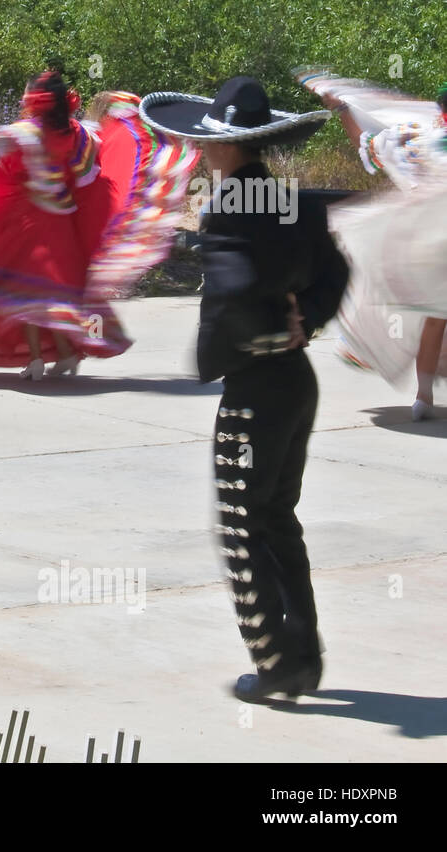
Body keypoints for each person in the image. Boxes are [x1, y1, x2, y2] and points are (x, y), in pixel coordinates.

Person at [140, 77, 349, 703]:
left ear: (226, 147)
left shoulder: (229, 205)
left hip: (256, 392)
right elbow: (339, 271)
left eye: (209, 145)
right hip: (297, 384)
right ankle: (303, 660)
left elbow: (232, 291)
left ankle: (275, 661)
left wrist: (256, 337)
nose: (203, 153)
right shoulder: (290, 200)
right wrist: (302, 320)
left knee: (241, 529)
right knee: (278, 520)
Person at [0, 70, 197, 378]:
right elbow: (87, 176)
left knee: (23, 292)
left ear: (35, 101)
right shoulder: (80, 134)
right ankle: (66, 355)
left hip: (30, 225)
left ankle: (36, 359)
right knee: (59, 292)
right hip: (64, 227)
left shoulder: (24, 132)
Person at [298, 71, 447, 421]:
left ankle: (423, 395)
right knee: (436, 319)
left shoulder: (413, 139)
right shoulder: (419, 138)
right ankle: (425, 391)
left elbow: (366, 144)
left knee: (435, 319)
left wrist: (343, 111)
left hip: (418, 245)